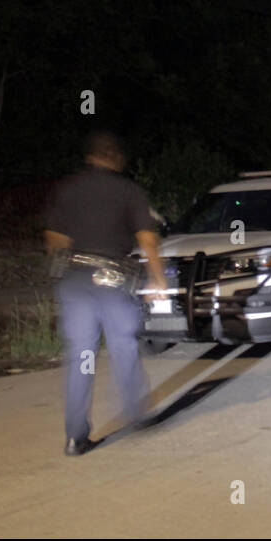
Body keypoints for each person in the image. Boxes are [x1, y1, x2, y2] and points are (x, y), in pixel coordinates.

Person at [42, 130, 168, 456]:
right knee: (123, 346)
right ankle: (137, 415)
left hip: (75, 282)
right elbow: (148, 239)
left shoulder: (68, 190)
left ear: (90, 157)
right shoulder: (128, 191)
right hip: (113, 281)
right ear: (116, 158)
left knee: (82, 355)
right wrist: (157, 279)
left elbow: (54, 240)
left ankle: (75, 437)